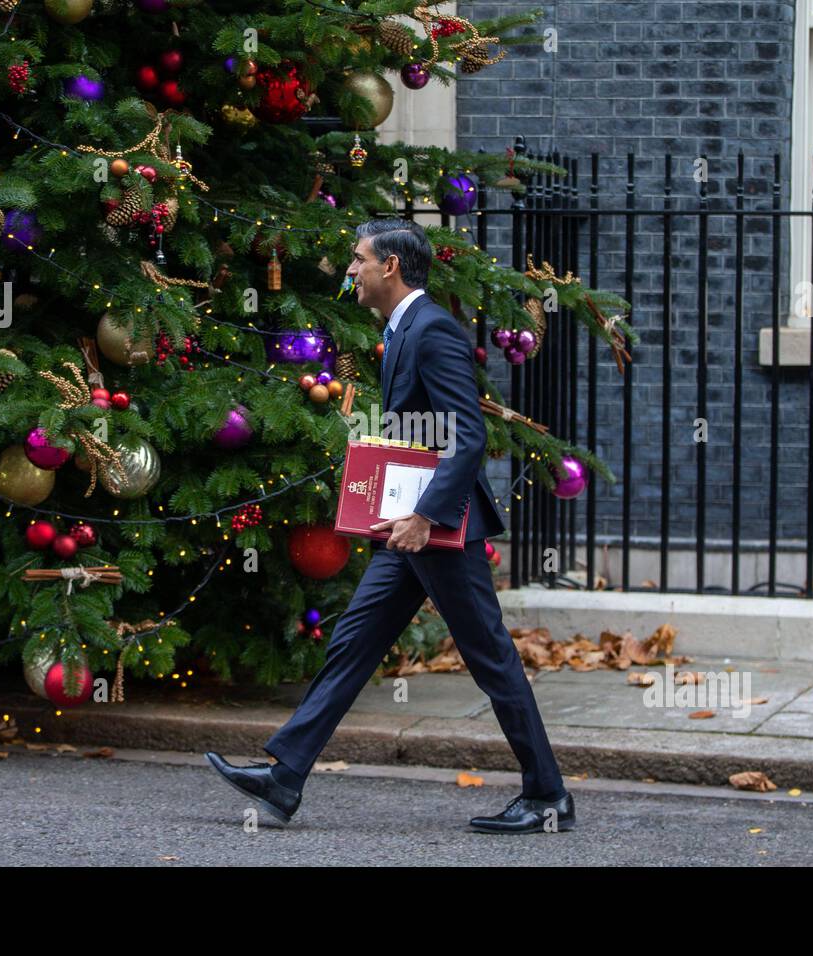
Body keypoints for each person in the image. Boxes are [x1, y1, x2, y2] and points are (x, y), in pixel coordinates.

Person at [205, 219, 574, 834]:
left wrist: (426, 515)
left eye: (358, 259)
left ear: (391, 268)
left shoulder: (432, 331)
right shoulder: (404, 329)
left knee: (490, 657)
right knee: (353, 641)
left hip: (438, 529)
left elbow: (467, 434)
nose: (351, 270)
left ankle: (547, 795)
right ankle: (286, 775)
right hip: (409, 530)